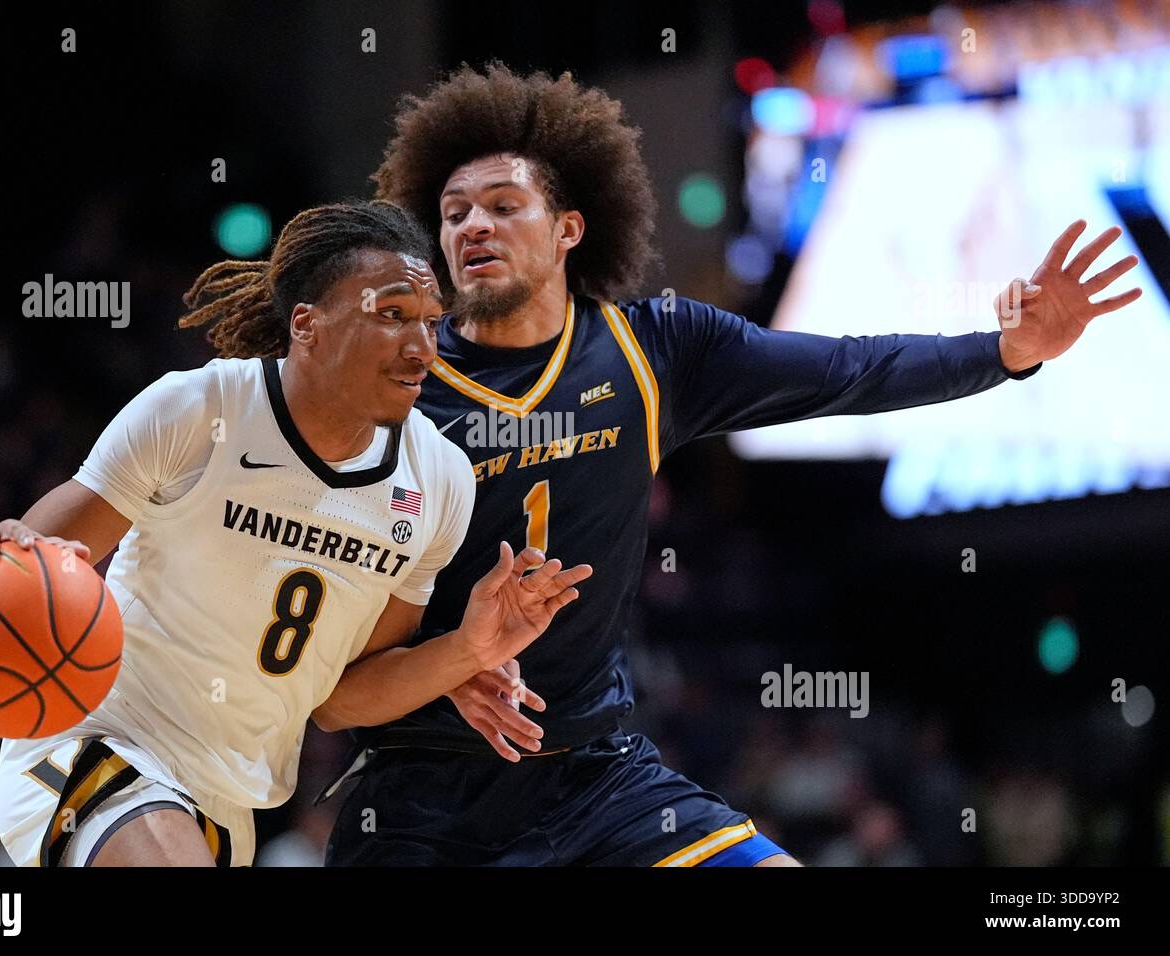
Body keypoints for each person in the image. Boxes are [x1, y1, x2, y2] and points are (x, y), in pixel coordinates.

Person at [319, 63, 1142, 867]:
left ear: (570, 227)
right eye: (454, 213)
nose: (472, 228)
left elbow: (848, 368)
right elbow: (334, 681)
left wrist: (1007, 351)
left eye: (503, 206)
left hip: (594, 777)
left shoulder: (654, 351)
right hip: (424, 801)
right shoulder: (400, 387)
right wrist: (454, 659)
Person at [0, 200, 590, 866]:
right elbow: (34, 564)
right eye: (391, 316)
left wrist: (465, 651)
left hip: (226, 802)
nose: (421, 348)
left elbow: (339, 698)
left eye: (431, 323)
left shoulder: (439, 480)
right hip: (102, 741)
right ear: (309, 325)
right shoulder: (199, 409)